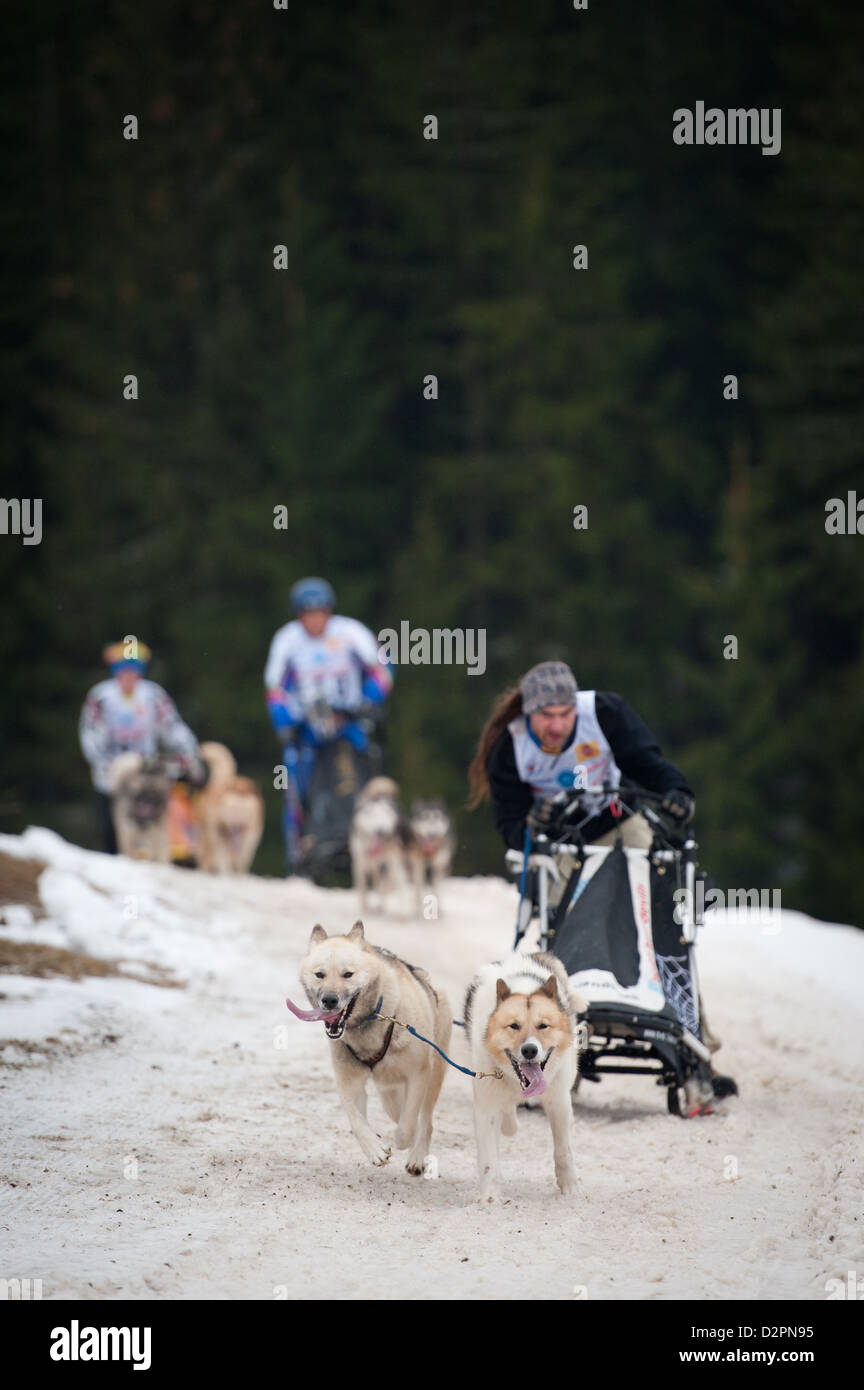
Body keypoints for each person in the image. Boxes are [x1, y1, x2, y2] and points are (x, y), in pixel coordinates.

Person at [468, 659, 736, 1097]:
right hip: (560, 841)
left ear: (576, 708)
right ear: (529, 713)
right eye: (546, 716)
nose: (557, 726)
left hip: (617, 820)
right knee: (562, 924)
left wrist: (677, 792)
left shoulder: (605, 714)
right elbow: (511, 828)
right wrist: (534, 823)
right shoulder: (509, 747)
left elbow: (647, 763)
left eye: (565, 714)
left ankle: (698, 1047)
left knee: (662, 917)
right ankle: (552, 1042)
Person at [264, 577, 393, 872]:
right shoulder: (287, 640)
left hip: (348, 720)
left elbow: (383, 668)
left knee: (368, 776)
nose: (315, 620)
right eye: (308, 614)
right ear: (298, 615)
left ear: (329, 611)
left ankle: (376, 851)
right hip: (307, 727)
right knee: (293, 780)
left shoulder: (350, 632)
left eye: (320, 612)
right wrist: (285, 719)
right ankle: (299, 855)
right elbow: (275, 689)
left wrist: (368, 701)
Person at [79, 640, 205, 854]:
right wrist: (102, 763)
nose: (129, 677)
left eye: (133, 671)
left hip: (146, 769)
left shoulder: (153, 695)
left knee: (153, 819)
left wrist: (189, 752)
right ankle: (113, 859)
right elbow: (90, 733)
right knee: (111, 827)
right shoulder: (101, 696)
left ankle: (153, 857)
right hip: (112, 770)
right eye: (124, 671)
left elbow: (172, 727)